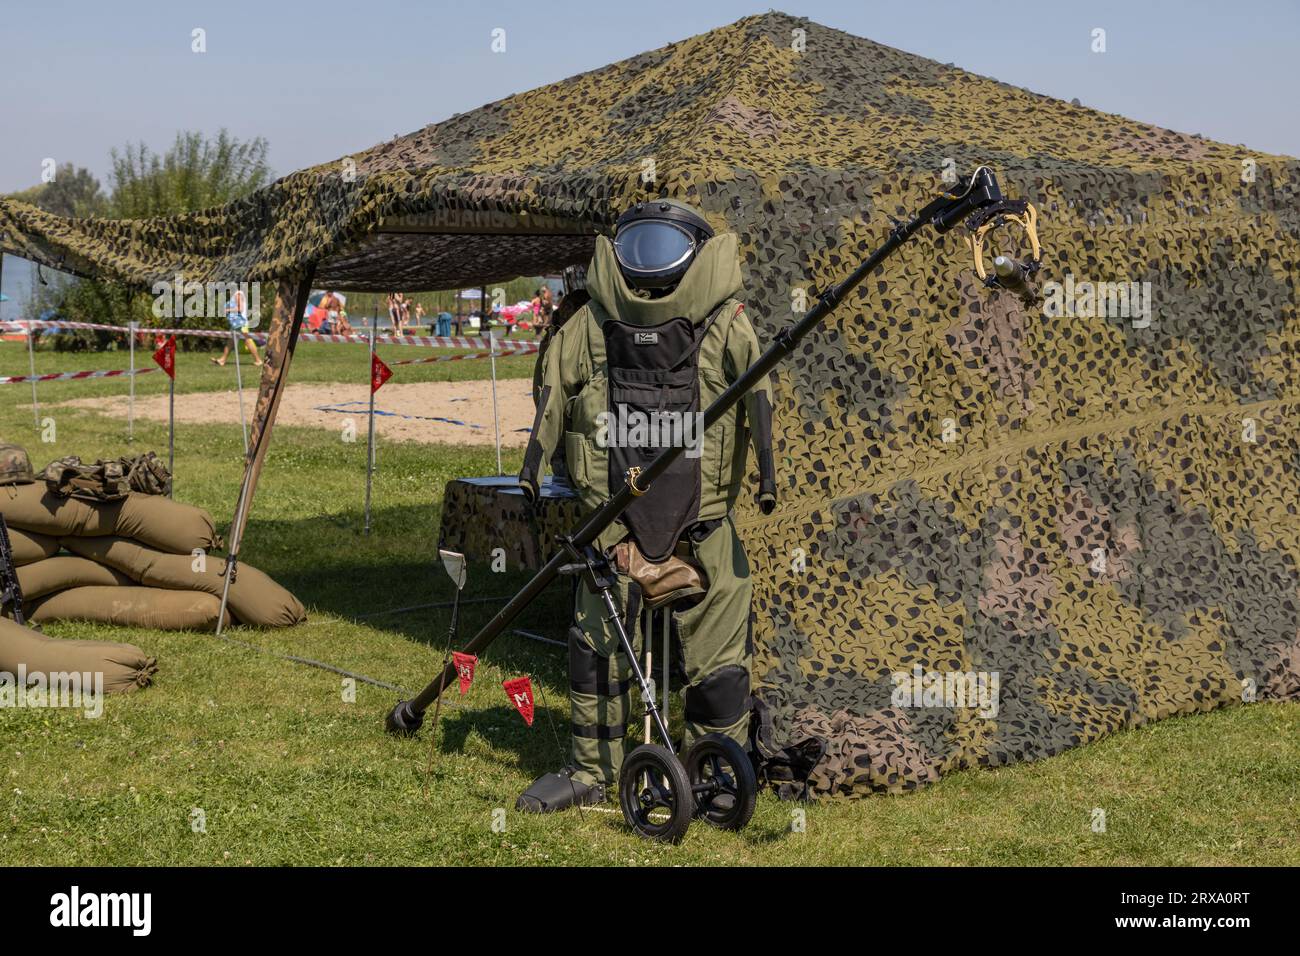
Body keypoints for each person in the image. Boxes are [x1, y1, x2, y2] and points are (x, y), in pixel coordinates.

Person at [514, 198, 776, 812]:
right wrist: (531, 469)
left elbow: (758, 398)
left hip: (704, 524)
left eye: (663, 246)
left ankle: (715, 768)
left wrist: (766, 476)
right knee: (595, 648)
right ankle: (590, 769)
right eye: (639, 245)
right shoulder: (588, 323)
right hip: (611, 529)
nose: (650, 262)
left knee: (719, 657)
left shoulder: (726, 323)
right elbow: (553, 397)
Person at [213, 287, 263, 367]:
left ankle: (258, 360)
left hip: (241, 324)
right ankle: (222, 360)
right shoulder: (235, 295)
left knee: (247, 341)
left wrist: (227, 310)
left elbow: (240, 308)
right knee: (230, 342)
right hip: (236, 324)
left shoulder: (238, 294)